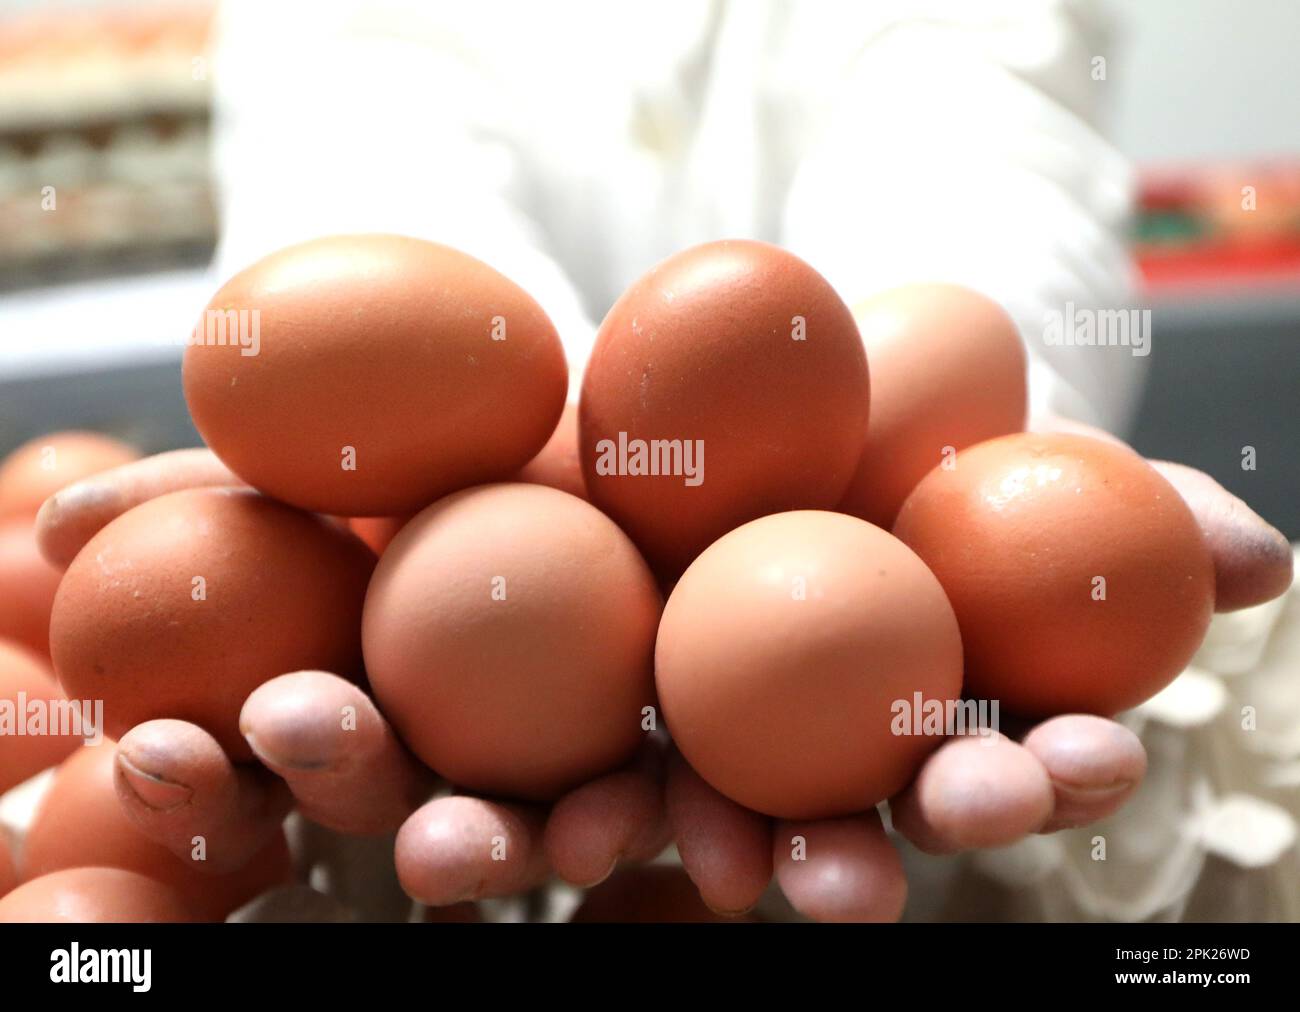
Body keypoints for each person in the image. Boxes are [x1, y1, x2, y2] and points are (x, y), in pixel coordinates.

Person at [43, 0, 1294, 921]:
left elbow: (982, 126)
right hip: (549, 494)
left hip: (849, 540)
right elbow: (361, 107)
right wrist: (503, 446)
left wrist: (941, 460)